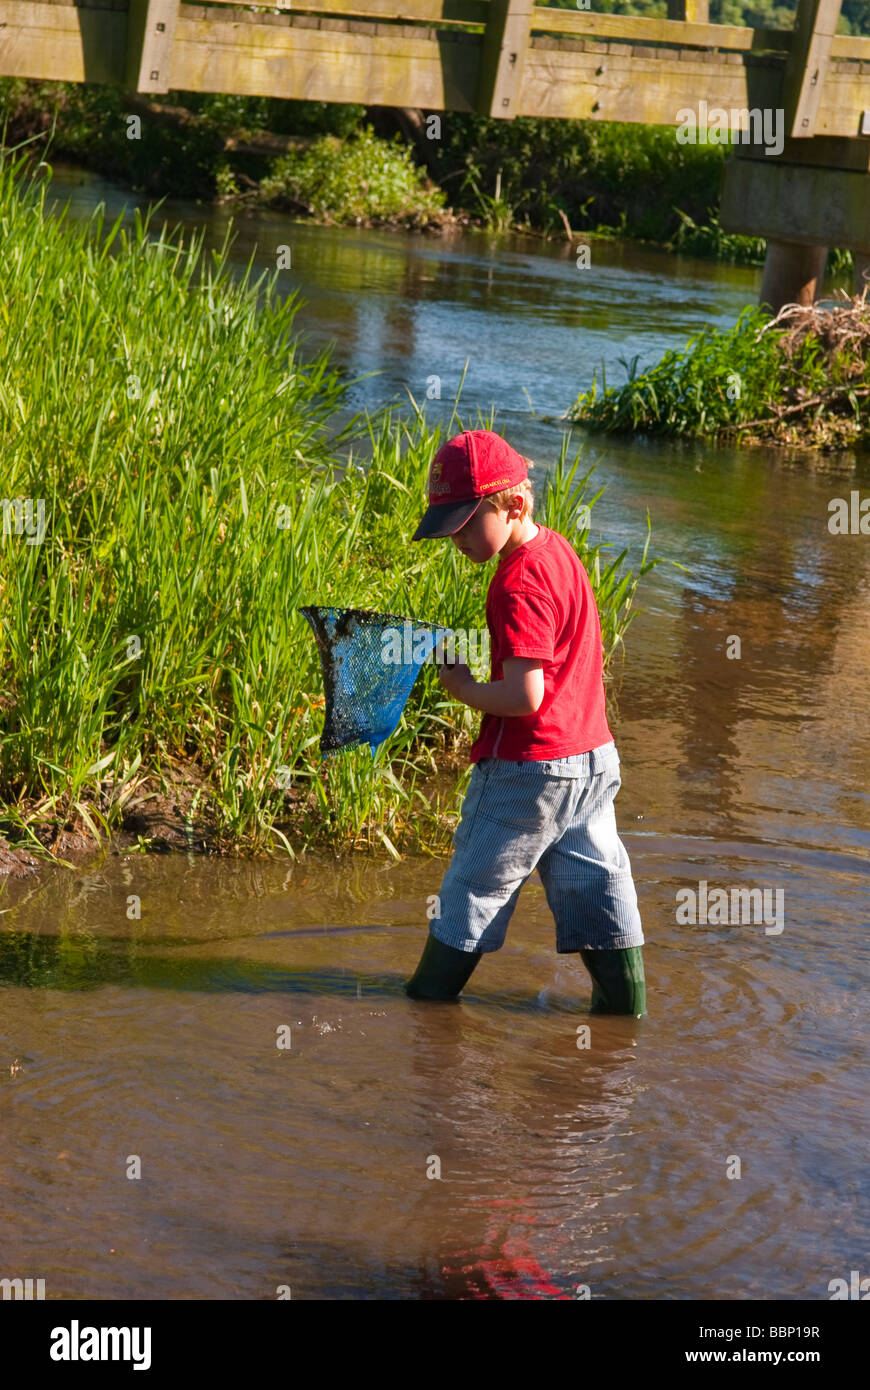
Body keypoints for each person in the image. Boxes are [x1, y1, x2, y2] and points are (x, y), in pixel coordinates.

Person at [404, 429, 646, 1015]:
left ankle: (425, 1006)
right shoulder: (558, 551)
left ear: (514, 505)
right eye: (449, 526)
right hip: (591, 761)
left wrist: (461, 688)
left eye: (465, 523)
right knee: (599, 891)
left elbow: (524, 695)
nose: (456, 538)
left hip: (526, 772)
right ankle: (623, 1015)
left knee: (473, 891)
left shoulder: (516, 582)